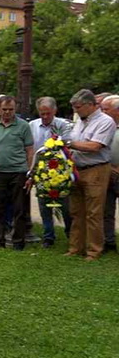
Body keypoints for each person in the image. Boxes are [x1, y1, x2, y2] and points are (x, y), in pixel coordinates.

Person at [65, 89, 115, 261]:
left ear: (90, 104)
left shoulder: (105, 121)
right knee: (76, 211)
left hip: (96, 170)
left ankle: (94, 250)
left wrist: (69, 143)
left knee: (94, 212)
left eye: (78, 107)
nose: (76, 111)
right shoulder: (79, 121)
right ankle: (75, 248)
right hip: (77, 170)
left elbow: (95, 146)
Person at [0, 95, 34, 250]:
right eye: (4, 109)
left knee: (19, 209)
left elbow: (30, 151)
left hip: (18, 172)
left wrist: (30, 174)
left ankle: (18, 241)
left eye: (10, 109)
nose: (7, 112)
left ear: (15, 109)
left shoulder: (24, 126)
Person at [28, 97, 73, 248]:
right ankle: (48, 236)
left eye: (48, 113)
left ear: (55, 111)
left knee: (65, 205)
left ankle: (71, 233)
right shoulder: (32, 125)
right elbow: (30, 149)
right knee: (43, 205)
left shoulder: (64, 125)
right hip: (40, 171)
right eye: (42, 114)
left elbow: (66, 145)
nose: (45, 117)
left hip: (60, 171)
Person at [101, 95, 119, 254]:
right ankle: (109, 242)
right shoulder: (106, 127)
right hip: (108, 173)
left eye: (106, 109)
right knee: (107, 210)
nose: (103, 112)